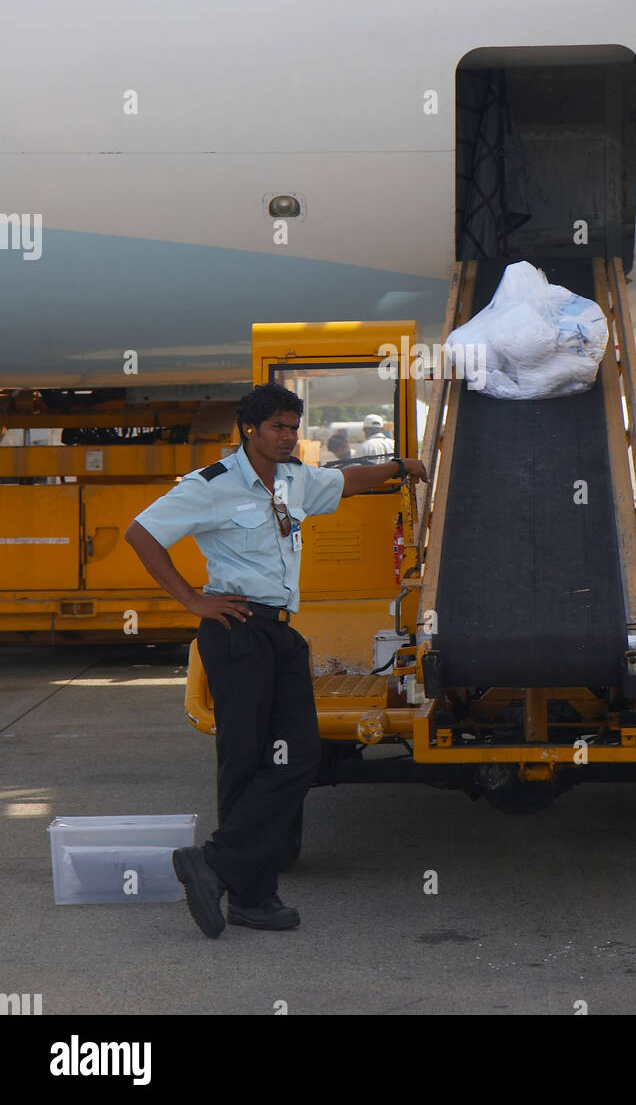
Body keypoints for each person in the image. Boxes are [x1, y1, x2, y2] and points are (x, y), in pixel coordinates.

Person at [124, 382, 427, 938]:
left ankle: (218, 863)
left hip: (283, 635)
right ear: (249, 430)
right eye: (278, 428)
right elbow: (141, 533)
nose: (289, 437)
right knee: (244, 761)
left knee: (298, 756)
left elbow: (350, 481)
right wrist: (192, 599)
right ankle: (253, 896)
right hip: (236, 630)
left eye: (294, 427)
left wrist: (402, 466)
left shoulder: (296, 480)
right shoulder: (212, 485)